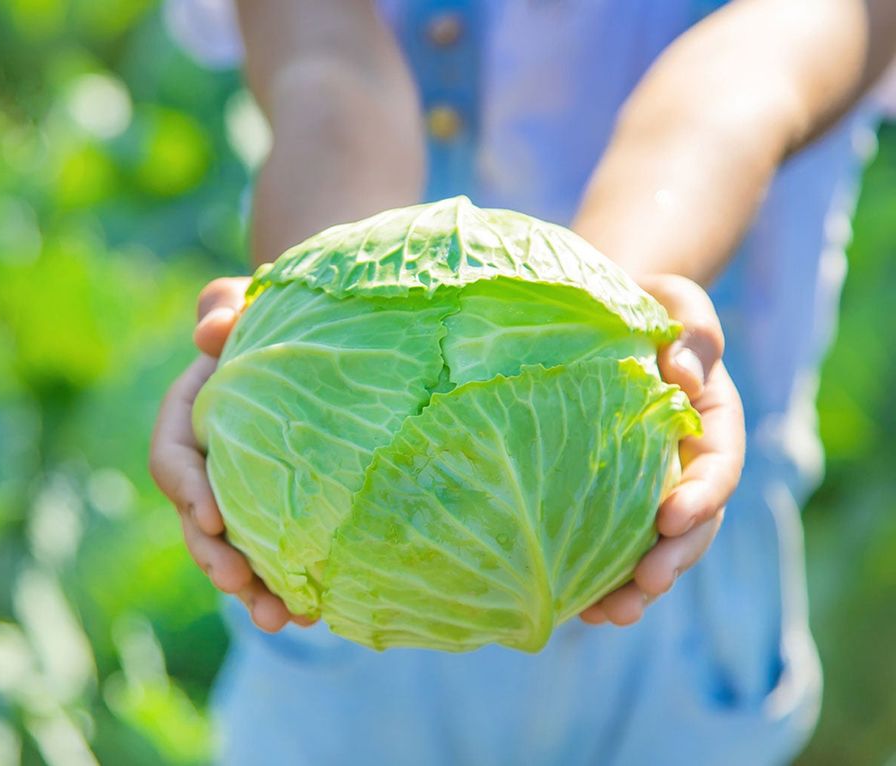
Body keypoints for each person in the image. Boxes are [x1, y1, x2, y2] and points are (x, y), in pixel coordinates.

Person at [149, 1, 896, 763]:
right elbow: (325, 66)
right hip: (343, 575)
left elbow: (754, 71)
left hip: (668, 514)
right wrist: (311, 341)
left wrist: (632, 314)